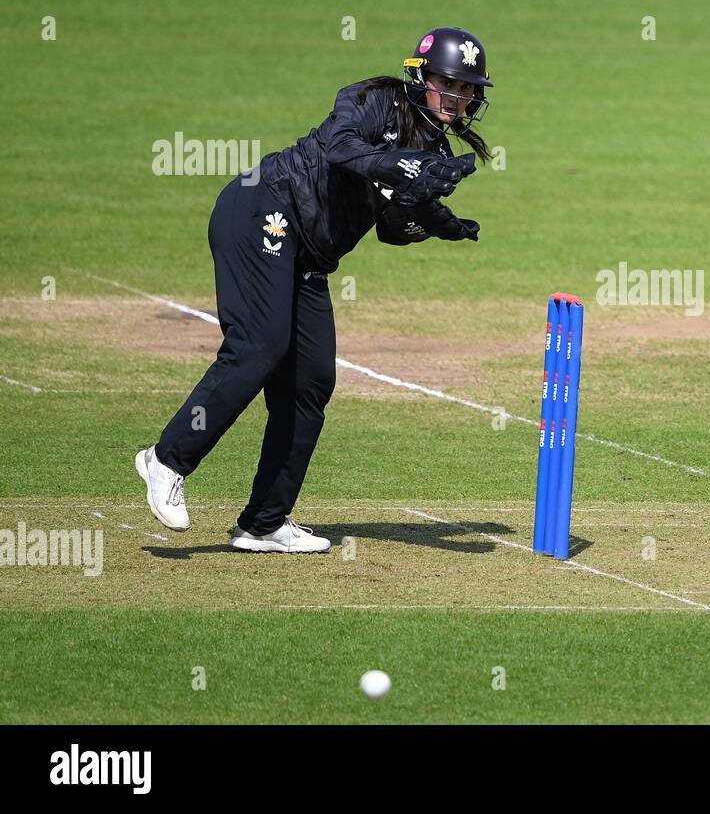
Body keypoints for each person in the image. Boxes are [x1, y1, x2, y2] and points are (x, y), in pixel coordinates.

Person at [135, 27, 493, 552]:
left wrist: (440, 220)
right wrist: (398, 164)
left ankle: (263, 523)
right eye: (448, 85)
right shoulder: (373, 100)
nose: (458, 99)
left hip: (309, 255)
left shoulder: (432, 146)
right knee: (259, 347)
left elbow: (394, 226)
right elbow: (338, 149)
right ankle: (166, 460)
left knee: (310, 383)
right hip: (263, 208)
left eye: (467, 90)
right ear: (419, 77)